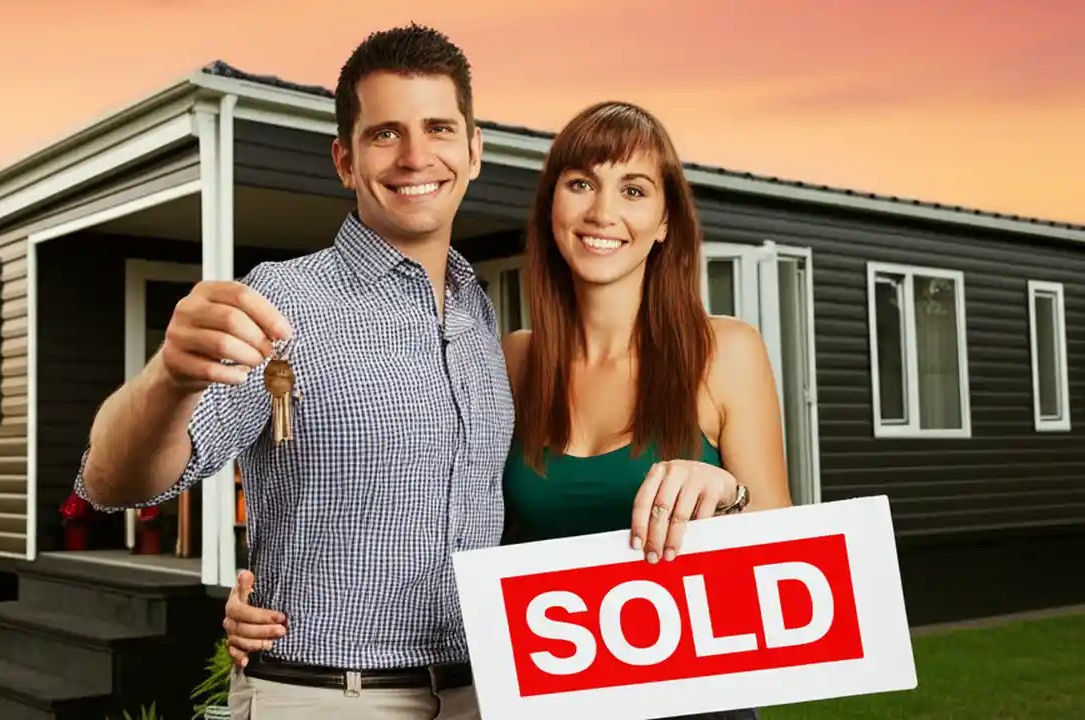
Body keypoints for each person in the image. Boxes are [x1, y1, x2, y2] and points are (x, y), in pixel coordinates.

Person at [225, 100, 792, 719]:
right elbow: (447, 510)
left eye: (633, 189)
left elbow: (789, 561)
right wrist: (279, 593)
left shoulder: (726, 352)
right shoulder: (515, 360)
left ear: (665, 222)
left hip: (691, 703)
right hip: (547, 702)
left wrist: (727, 493)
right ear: (553, 208)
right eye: (581, 184)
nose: (603, 212)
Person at [74, 22, 508, 720]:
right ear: (344, 160)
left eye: (439, 129)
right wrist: (169, 379)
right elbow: (110, 481)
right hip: (330, 696)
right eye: (385, 133)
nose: (416, 156)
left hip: (481, 692)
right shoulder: (281, 303)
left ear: (474, 149)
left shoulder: (479, 316)